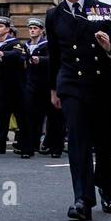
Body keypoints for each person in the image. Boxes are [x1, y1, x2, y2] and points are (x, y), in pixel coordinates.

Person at [46, 0, 111, 221]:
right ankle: (82, 199)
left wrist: (108, 48)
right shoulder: (54, 15)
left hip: (102, 84)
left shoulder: (103, 10)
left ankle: (105, 185)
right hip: (71, 84)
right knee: (78, 142)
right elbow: (55, 55)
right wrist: (54, 89)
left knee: (105, 143)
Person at [0, 16, 32, 157]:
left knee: (22, 117)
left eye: (1, 26)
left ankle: (26, 149)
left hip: (16, 86)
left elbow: (18, 56)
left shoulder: (16, 44)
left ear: (7, 29)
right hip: (1, 86)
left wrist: (4, 54)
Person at [24, 16, 63, 157]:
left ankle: (55, 147)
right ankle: (29, 147)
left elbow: (54, 60)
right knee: (31, 116)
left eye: (35, 28)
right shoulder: (26, 46)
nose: (32, 31)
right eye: (30, 28)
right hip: (31, 84)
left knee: (53, 117)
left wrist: (40, 59)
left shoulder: (47, 45)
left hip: (46, 84)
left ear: (41, 31)